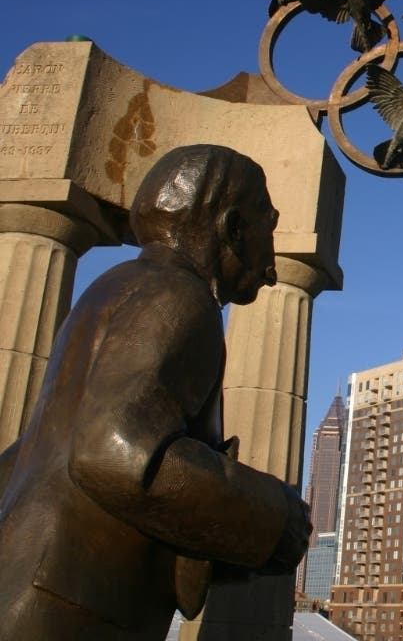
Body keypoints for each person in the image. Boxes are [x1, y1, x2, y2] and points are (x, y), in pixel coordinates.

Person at [0, 144, 312, 640]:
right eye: (267, 230)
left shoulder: (114, 288)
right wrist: (276, 515)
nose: (274, 267)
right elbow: (111, 452)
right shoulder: (178, 296)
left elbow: (27, 457)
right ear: (233, 228)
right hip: (74, 605)